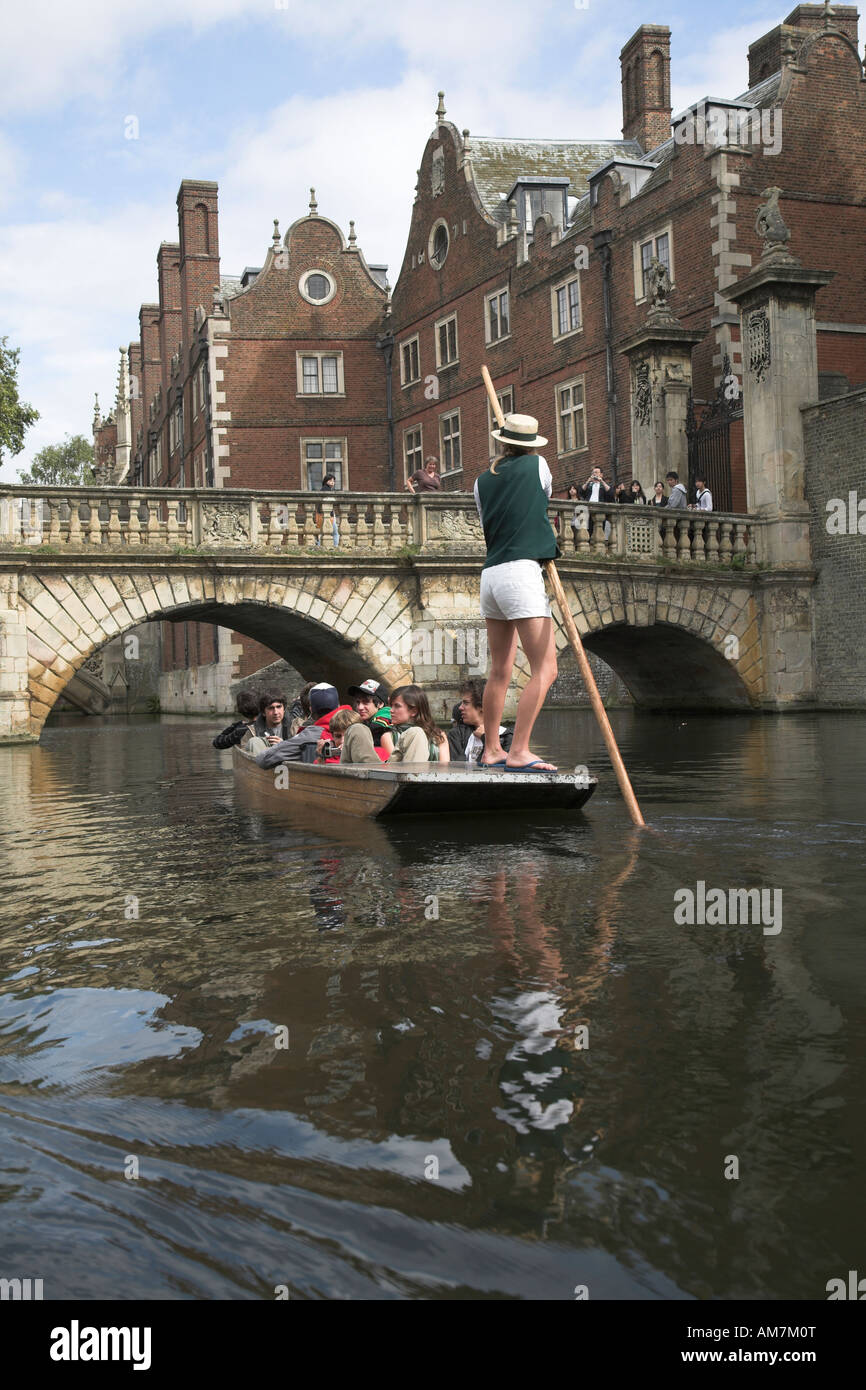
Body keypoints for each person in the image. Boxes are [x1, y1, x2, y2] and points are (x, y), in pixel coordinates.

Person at [474, 411, 559, 772]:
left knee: (499, 670)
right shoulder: (539, 466)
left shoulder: (481, 481)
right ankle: (520, 750)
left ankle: (491, 749)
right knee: (546, 668)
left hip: (491, 574)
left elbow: (487, 520)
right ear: (531, 445)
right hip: (523, 572)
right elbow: (544, 499)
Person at [340, 683, 449, 764]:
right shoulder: (388, 735)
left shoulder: (439, 735)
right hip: (396, 778)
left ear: (414, 711)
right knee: (356, 729)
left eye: (397, 706)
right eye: (391, 705)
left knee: (416, 732)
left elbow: (444, 769)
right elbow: (394, 768)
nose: (391, 710)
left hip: (430, 783)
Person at [256, 683, 352, 766]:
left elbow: (263, 759)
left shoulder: (309, 735)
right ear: (338, 706)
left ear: (311, 709)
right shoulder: (357, 725)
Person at [447, 678, 513, 763]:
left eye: (466, 703)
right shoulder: (457, 734)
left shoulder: (507, 736)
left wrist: (485, 738)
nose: (460, 707)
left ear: (482, 707)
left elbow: (500, 770)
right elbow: (457, 769)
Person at [348, 678, 394, 756]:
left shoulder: (380, 722)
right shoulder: (372, 720)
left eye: (365, 702)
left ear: (380, 704)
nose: (360, 707)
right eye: (358, 702)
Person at [315, 473, 339, 547]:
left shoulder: (323, 489)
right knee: (335, 533)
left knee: (323, 532)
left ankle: (318, 546)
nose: (333, 482)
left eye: (333, 481)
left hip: (320, 515)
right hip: (328, 515)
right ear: (326, 481)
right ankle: (335, 547)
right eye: (331, 480)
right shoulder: (327, 490)